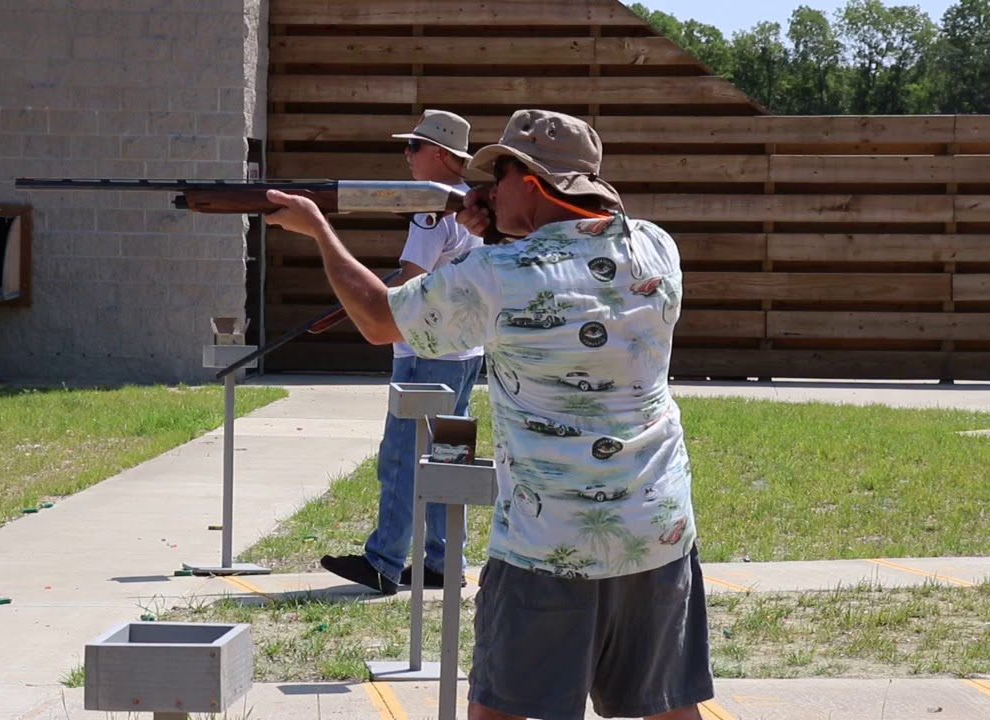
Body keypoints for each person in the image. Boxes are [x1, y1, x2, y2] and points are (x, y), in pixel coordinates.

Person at [264, 109, 712, 720]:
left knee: (498, 711)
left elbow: (376, 318)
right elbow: (570, 262)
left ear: (529, 182)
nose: (485, 192)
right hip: (656, 524)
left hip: (547, 539)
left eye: (495, 178)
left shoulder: (495, 274)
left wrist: (318, 229)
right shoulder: (656, 246)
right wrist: (502, 231)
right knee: (667, 707)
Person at [317, 110, 485, 595]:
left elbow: (413, 279)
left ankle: (384, 561)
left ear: (437, 154)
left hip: (424, 352)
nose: (406, 156)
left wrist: (367, 303)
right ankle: (443, 563)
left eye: (413, 147)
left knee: (401, 458)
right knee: (448, 458)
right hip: (462, 351)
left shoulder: (430, 209)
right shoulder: (470, 208)